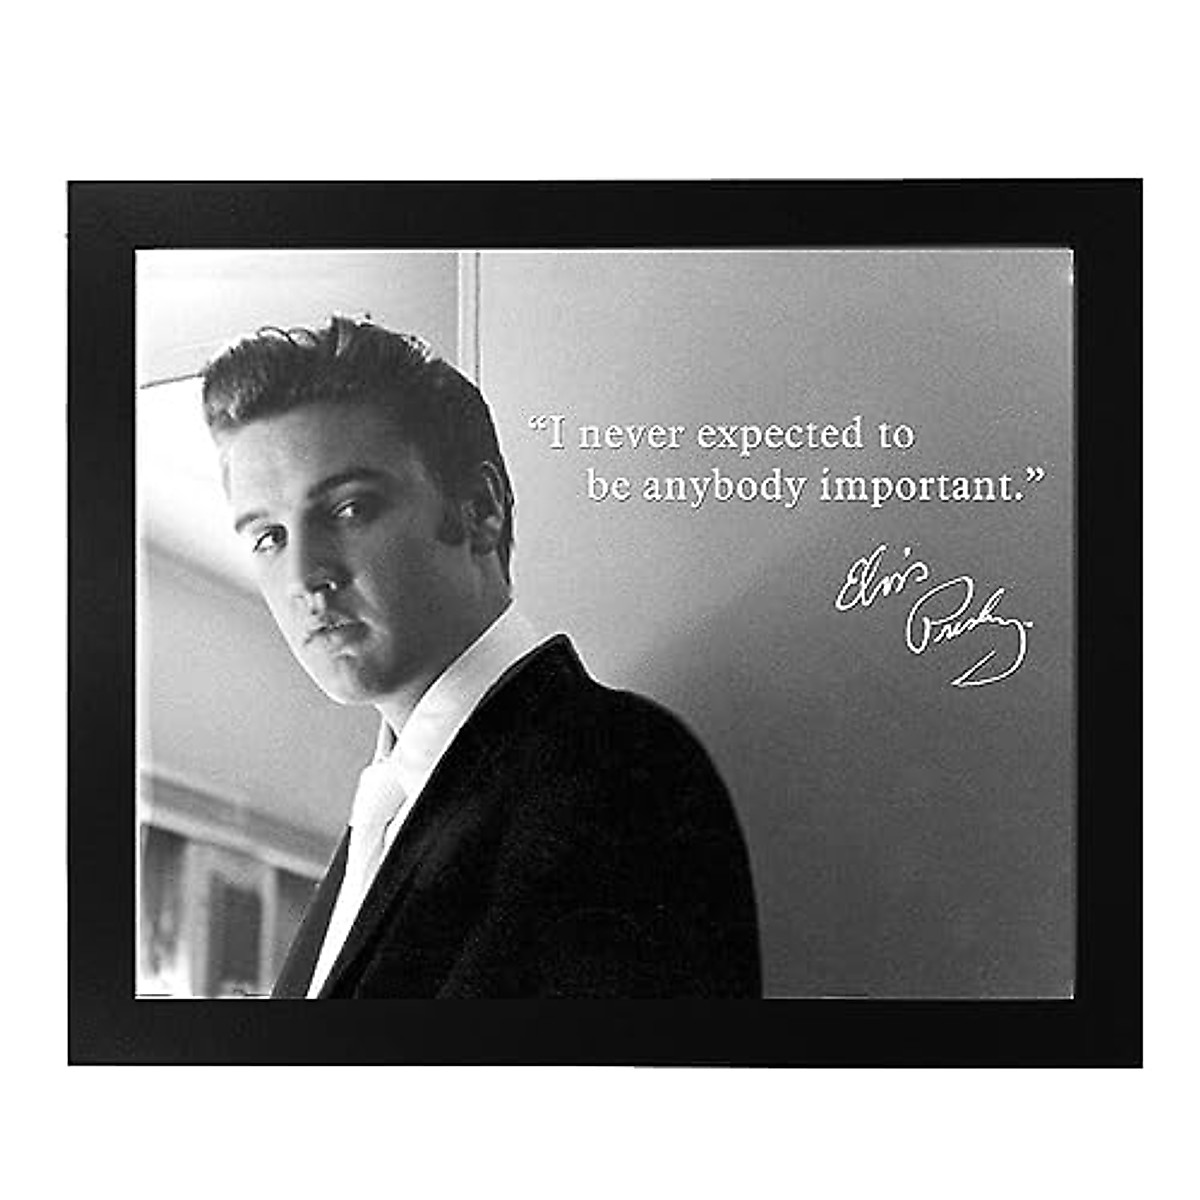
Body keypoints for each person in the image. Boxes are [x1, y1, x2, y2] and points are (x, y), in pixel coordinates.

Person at [202, 315, 761, 998]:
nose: (304, 576)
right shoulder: (399, 804)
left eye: (349, 509)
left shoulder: (619, 772)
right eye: (268, 538)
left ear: (479, 509)